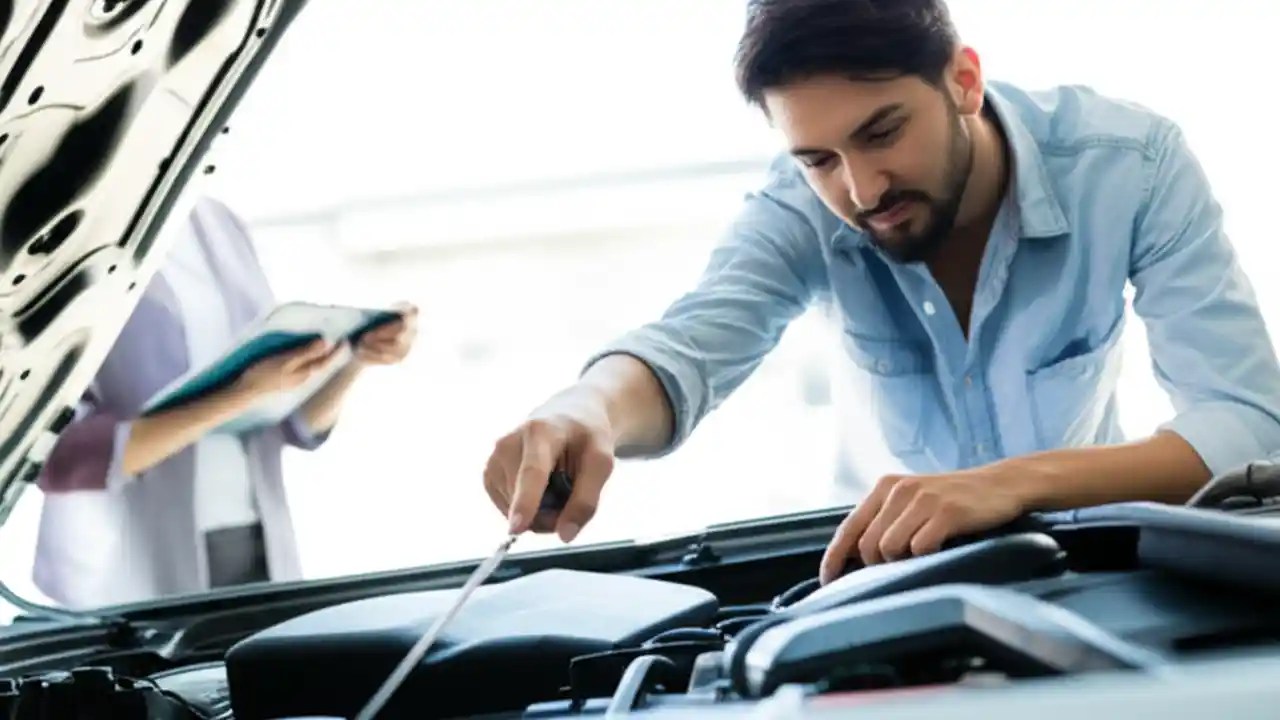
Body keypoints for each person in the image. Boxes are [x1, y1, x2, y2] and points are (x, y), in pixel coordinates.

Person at [482, 0, 1280, 583]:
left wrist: (1003, 486)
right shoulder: (799, 207)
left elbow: (1251, 424)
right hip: (882, 578)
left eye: (882, 132)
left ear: (963, 81)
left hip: (1089, 566)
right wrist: (586, 409)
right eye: (818, 158)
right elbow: (689, 346)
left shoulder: (1129, 164)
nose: (861, 189)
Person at [33, 194, 418, 609]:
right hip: (131, 559)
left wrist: (356, 360)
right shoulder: (72, 231)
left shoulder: (218, 220)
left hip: (255, 538)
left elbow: (294, 425)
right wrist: (244, 393)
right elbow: (63, 457)